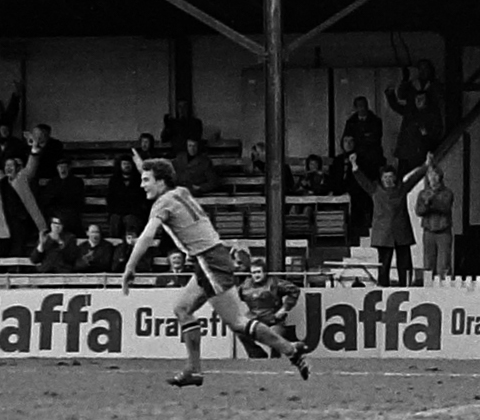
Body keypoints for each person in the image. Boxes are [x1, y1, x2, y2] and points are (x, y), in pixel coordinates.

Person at [120, 154, 309, 387]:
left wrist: (130, 267)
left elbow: (148, 236)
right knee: (182, 308)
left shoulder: (162, 204)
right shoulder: (180, 191)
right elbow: (163, 176)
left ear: (160, 182)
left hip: (209, 261)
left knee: (237, 322)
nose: (142, 185)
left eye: (146, 179)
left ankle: (289, 349)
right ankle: (194, 370)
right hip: (207, 259)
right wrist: (146, 167)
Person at [355, 157, 430, 287]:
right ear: (381, 178)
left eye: (390, 177)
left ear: (395, 177)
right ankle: (383, 288)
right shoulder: (375, 189)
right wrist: (354, 166)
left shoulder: (402, 188)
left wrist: (426, 166)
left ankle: (405, 287)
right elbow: (362, 181)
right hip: (383, 233)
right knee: (383, 265)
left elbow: (414, 178)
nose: (388, 180)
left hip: (401, 231)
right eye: (385, 177)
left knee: (405, 264)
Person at [235, 252, 302, 356]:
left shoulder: (275, 283)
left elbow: (294, 290)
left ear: (265, 272)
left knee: (275, 336)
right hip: (254, 320)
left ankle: (274, 362)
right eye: (253, 273)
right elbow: (234, 297)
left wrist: (284, 308)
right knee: (240, 331)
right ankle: (257, 355)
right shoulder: (244, 286)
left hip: (273, 320)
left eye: (258, 272)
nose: (256, 275)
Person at [415, 161, 456, 277]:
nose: (432, 178)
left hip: (443, 230)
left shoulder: (447, 193)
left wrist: (432, 201)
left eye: (435, 175)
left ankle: (444, 286)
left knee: (444, 263)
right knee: (428, 263)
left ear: (440, 176)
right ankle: (428, 287)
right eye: (430, 175)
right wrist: (426, 204)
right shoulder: (422, 193)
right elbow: (419, 211)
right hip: (428, 230)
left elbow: (445, 207)